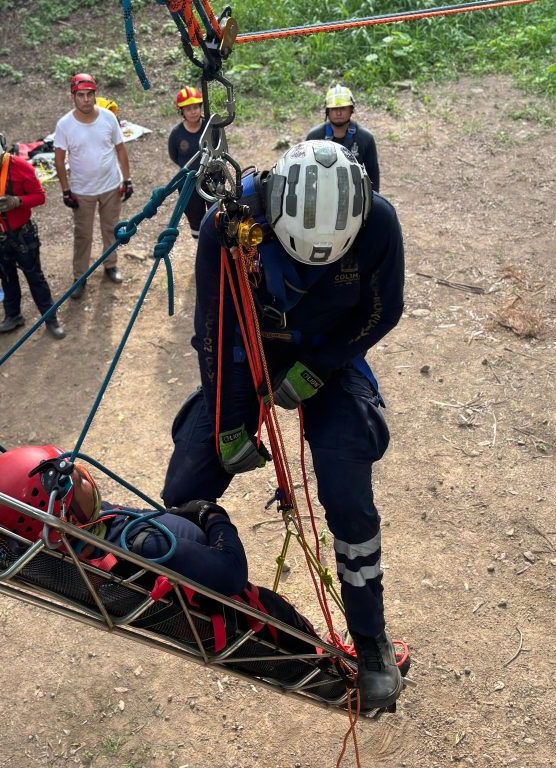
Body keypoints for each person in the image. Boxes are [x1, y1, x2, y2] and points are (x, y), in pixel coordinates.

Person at [161, 140, 406, 711]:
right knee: (183, 492)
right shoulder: (230, 222)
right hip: (247, 352)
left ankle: (370, 638)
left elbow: (381, 311)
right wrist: (227, 418)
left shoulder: (377, 223)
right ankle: (214, 591)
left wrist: (320, 369)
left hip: (329, 353)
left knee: (347, 492)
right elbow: (214, 329)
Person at [0, 445, 322, 648]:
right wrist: (214, 515)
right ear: (50, 523)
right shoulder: (144, 548)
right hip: (250, 623)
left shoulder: (78, 545)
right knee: (304, 640)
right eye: (75, 488)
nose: (87, 485)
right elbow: (230, 573)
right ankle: (341, 670)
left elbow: (122, 513)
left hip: (192, 581)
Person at [0, 126, 65, 339]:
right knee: (7, 277)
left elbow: (39, 196)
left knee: (35, 277)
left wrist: (17, 201)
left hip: (21, 235)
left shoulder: (20, 166)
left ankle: (50, 318)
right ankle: (13, 315)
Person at [53, 73, 132, 299]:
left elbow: (121, 149)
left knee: (111, 228)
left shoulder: (108, 118)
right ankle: (80, 276)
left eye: (89, 95)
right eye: (81, 95)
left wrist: (127, 180)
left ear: (95, 95)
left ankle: (110, 265)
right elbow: (59, 159)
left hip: (110, 186)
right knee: (83, 235)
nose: (86, 99)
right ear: (73, 97)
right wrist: (65, 190)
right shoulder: (65, 125)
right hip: (82, 191)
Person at [305, 84, 380, 192]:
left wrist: (372, 202)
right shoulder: (314, 137)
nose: (338, 113)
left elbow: (373, 174)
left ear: (351, 109)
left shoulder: (365, 138)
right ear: (328, 111)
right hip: (321, 193)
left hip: (354, 194)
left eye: (343, 108)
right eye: (334, 109)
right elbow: (306, 172)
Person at [167, 86, 219, 240]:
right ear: (181, 111)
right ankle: (202, 248)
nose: (193, 111)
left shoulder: (211, 128)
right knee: (196, 220)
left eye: (196, 107)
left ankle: (219, 249)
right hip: (189, 185)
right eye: (188, 109)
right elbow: (174, 156)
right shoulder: (176, 134)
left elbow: (220, 150)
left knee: (216, 216)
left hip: (212, 181)